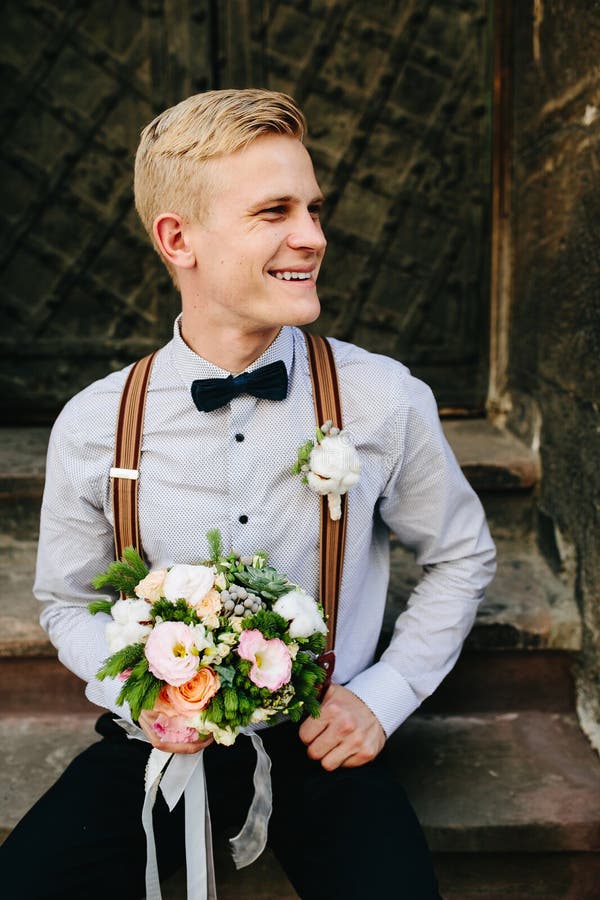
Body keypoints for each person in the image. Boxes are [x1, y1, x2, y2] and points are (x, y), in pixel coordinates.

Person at [1, 89, 495, 899]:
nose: (314, 236)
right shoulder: (94, 424)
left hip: (323, 741)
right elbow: (67, 600)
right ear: (177, 238)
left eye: (313, 208)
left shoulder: (383, 399)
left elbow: (460, 555)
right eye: (275, 212)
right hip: (159, 744)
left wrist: (384, 694)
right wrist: (145, 692)